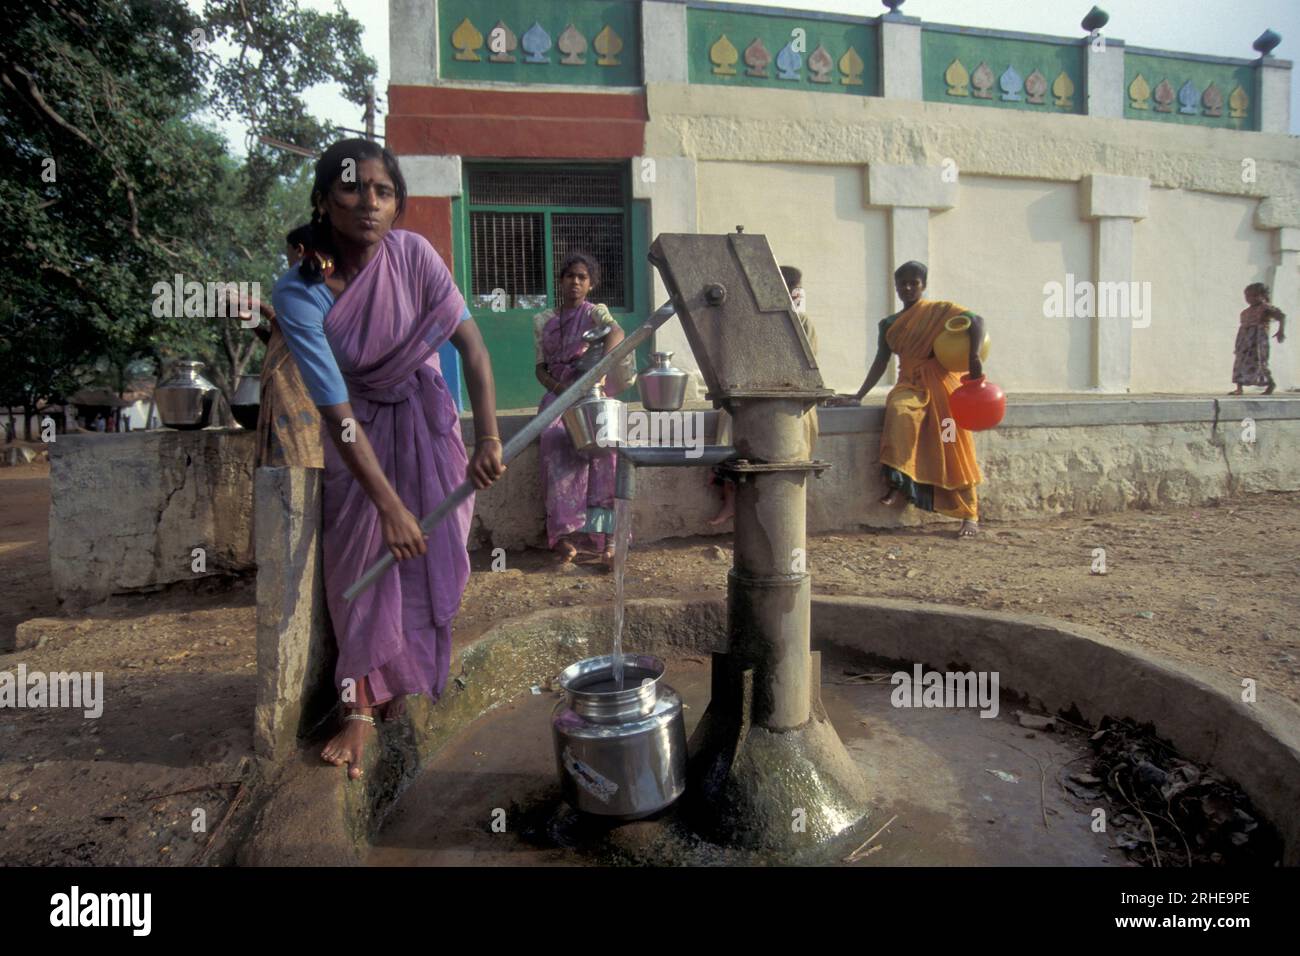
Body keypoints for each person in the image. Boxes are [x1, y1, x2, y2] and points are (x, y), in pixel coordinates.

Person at [271, 138, 505, 779]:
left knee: (431, 554)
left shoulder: (415, 255)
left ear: (396, 203)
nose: (368, 203)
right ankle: (358, 709)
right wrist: (389, 504)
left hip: (428, 427)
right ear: (323, 201)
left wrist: (487, 437)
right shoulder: (299, 293)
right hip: (357, 437)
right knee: (361, 564)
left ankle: (402, 684)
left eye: (382, 191)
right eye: (351, 189)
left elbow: (475, 350)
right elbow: (335, 410)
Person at [826, 261, 985, 539]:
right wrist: (858, 395)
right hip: (909, 383)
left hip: (944, 387)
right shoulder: (889, 324)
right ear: (896, 286)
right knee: (899, 413)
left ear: (923, 285)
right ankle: (899, 480)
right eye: (903, 283)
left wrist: (973, 358)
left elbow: (977, 322)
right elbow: (880, 361)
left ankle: (969, 514)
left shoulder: (941, 312)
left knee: (952, 442)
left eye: (914, 283)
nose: (908, 288)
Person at [533, 252, 634, 567]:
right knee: (554, 441)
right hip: (558, 395)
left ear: (590, 285)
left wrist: (599, 372)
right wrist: (561, 390)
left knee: (607, 450)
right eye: (570, 276)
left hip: (591, 393)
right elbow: (539, 368)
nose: (575, 282)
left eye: (582, 277)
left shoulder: (595, 314)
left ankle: (609, 539)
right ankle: (564, 537)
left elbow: (616, 334)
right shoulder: (543, 320)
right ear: (561, 281)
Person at [709, 265, 818, 525]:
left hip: (792, 398)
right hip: (754, 392)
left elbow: (806, 369)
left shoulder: (803, 323)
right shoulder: (752, 322)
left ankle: (785, 509)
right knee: (728, 420)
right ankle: (730, 500)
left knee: (790, 435)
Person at [1231, 282, 1285, 395]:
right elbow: (1242, 328)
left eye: (1254, 296)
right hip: (1244, 340)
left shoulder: (1265, 308)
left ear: (1262, 295)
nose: (1250, 299)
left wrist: (1280, 331)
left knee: (1259, 362)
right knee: (1240, 362)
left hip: (1257, 341)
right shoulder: (1245, 312)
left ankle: (1270, 383)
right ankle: (1239, 387)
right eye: (1248, 296)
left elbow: (1281, 316)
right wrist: (1238, 343)